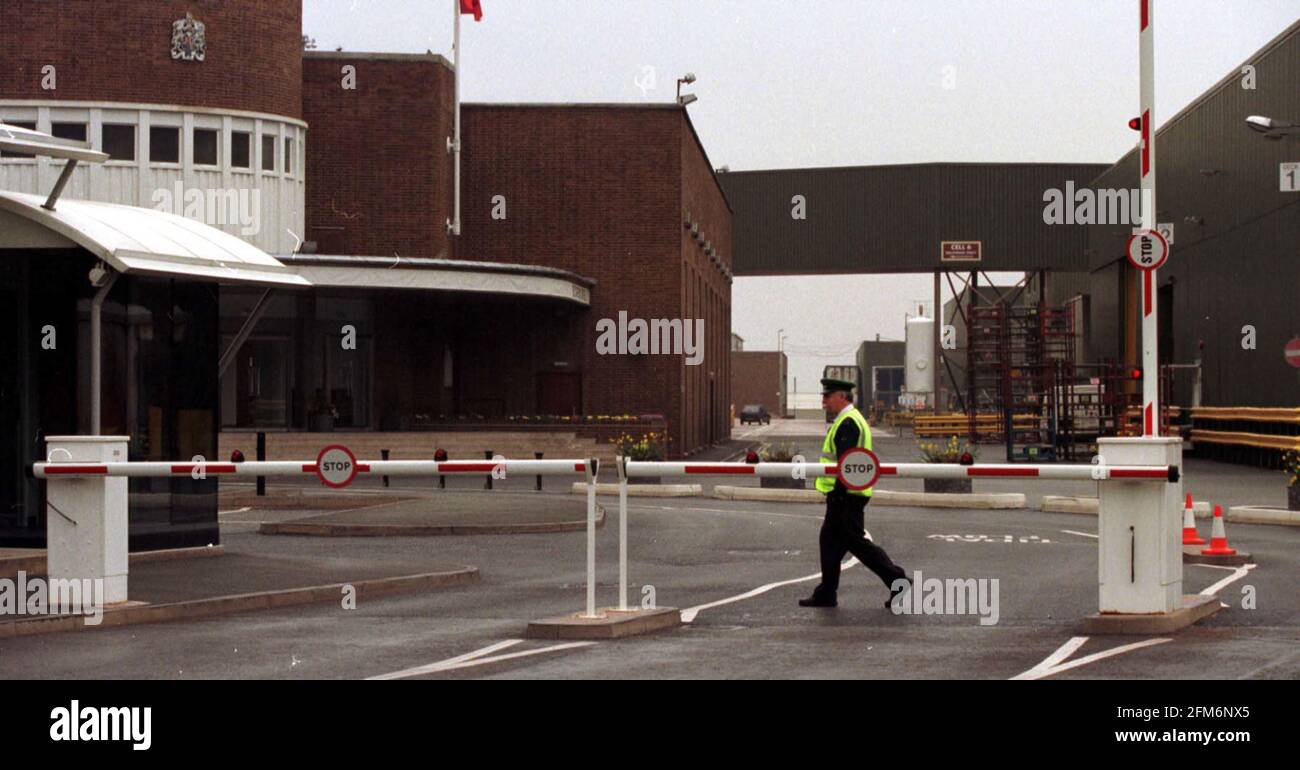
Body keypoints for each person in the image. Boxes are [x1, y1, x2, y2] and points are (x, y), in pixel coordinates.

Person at [799, 377, 911, 609]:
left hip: (846, 494)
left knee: (856, 543)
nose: (823, 401)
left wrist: (839, 494)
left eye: (827, 396)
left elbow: (846, 463)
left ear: (842, 397)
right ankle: (826, 592)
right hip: (847, 493)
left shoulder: (848, 422)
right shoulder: (849, 419)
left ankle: (898, 580)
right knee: (830, 541)